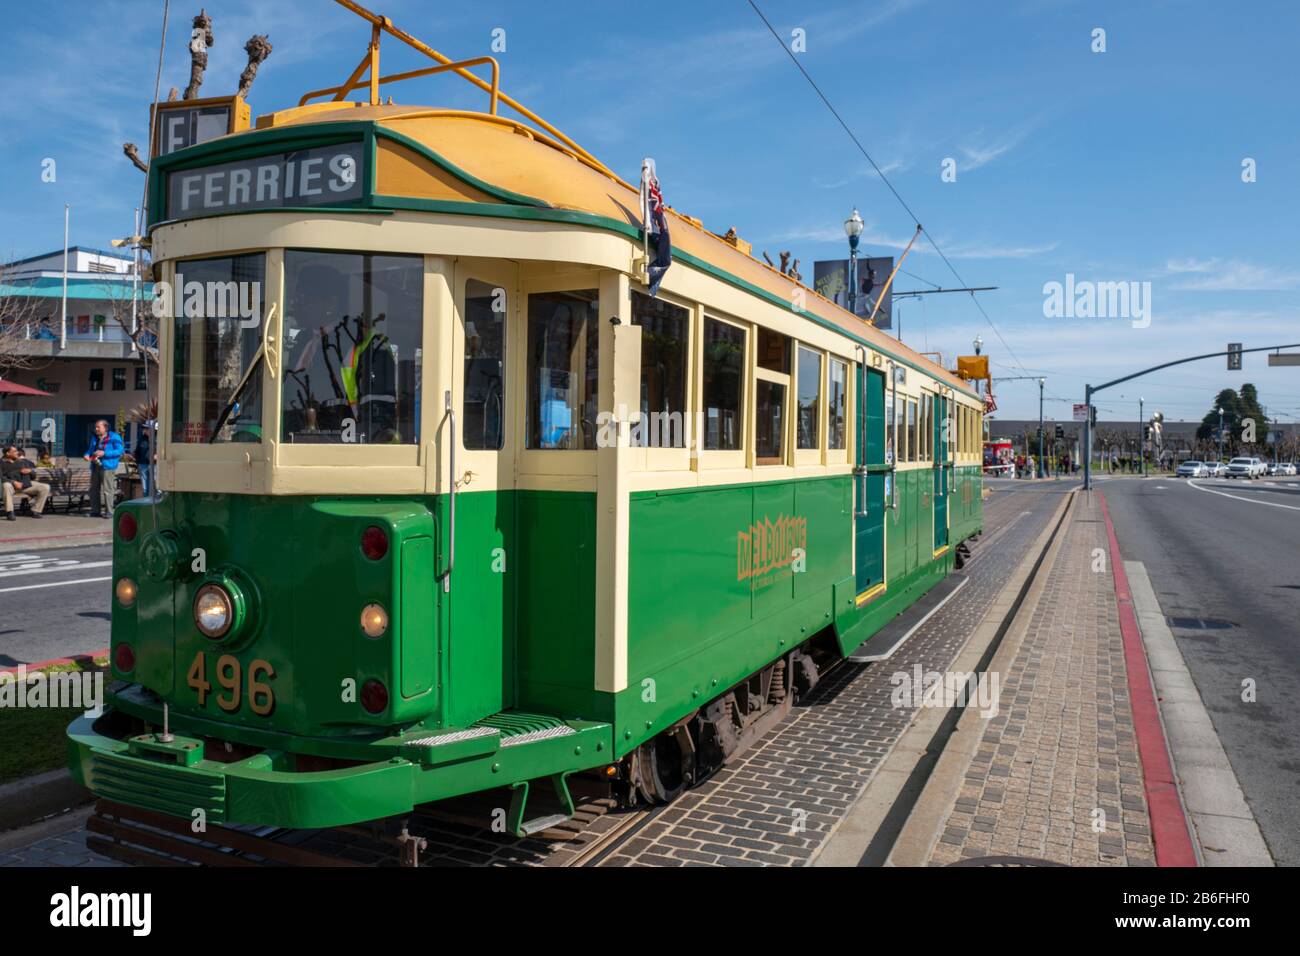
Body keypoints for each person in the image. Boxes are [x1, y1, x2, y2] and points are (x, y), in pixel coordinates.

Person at [83, 420, 123, 518]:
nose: (96, 429)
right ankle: (95, 511)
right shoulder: (95, 437)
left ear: (105, 428)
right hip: (95, 465)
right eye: (95, 427)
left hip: (108, 467)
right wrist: (87, 455)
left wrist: (105, 453)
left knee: (108, 490)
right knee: (94, 489)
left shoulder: (114, 437)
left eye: (98, 427)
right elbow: (90, 450)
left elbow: (120, 451)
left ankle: (109, 512)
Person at [2, 445, 50, 520]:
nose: (17, 453)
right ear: (8, 453)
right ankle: (10, 512)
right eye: (14, 451)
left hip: (26, 485)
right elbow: (1, 477)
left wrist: (30, 471)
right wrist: (13, 482)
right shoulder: (1, 463)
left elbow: (33, 476)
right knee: (6, 485)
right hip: (12, 487)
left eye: (17, 451)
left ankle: (35, 511)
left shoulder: (23, 462)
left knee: (45, 487)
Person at [133, 424, 154, 497]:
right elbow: (137, 450)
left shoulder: (158, 438)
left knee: (155, 486)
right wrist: (136, 458)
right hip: (142, 464)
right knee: (145, 488)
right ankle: (146, 502)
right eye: (144, 428)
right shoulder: (142, 438)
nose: (144, 430)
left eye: (146, 428)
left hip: (154, 465)